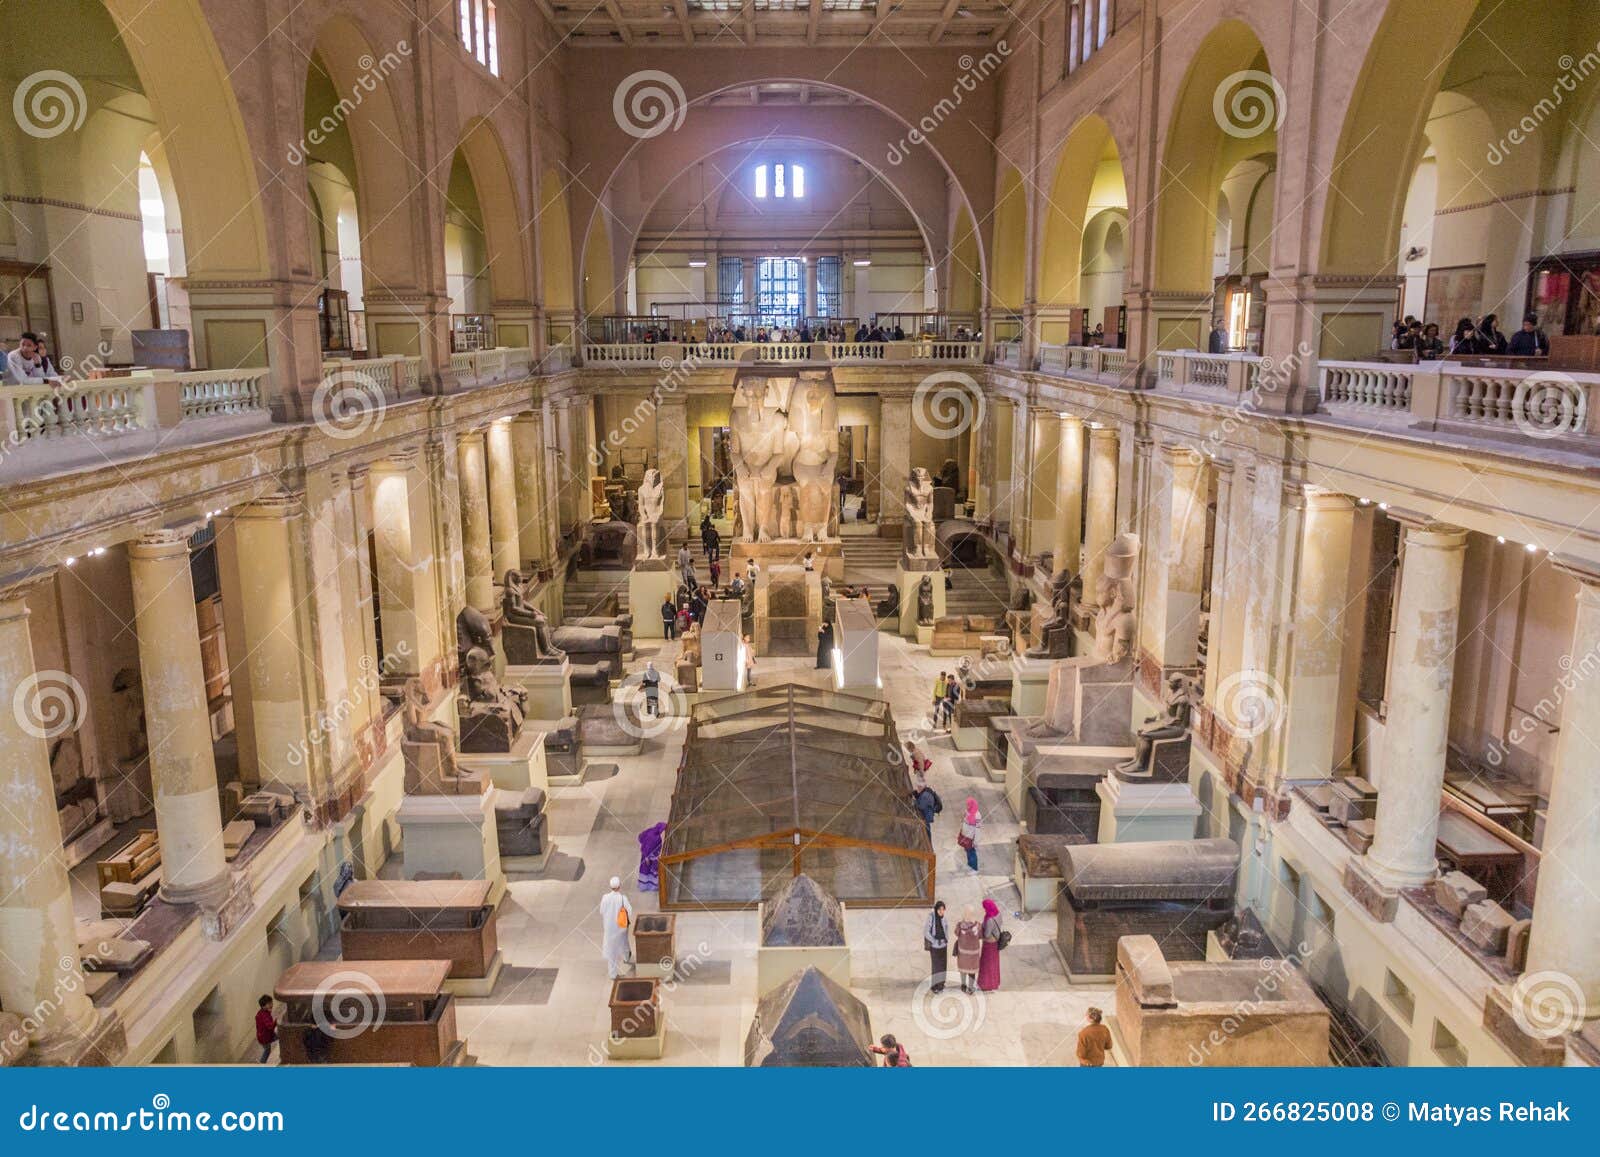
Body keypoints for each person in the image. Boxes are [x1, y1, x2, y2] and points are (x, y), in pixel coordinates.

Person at [599, 876, 634, 978]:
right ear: (619, 886)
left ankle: (613, 973)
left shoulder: (605, 898)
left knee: (611, 951)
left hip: (609, 928)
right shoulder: (623, 898)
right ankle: (626, 958)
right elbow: (630, 911)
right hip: (621, 927)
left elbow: (601, 911)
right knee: (624, 942)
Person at [953, 906, 982, 994]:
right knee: (972, 971)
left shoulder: (960, 925)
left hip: (963, 953)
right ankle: (970, 987)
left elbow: (956, 933)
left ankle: (963, 985)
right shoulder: (978, 926)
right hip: (973, 954)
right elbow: (980, 936)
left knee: (963, 970)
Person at [978, 898, 1003, 992]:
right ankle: (995, 983)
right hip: (996, 942)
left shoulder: (989, 919)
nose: (984, 909)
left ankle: (986, 985)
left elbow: (987, 934)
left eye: (984, 907)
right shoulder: (998, 913)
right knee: (994, 964)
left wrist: (981, 928)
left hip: (989, 944)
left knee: (986, 964)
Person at [924, 900, 949, 993]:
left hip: (943, 945)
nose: (941, 912)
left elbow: (946, 928)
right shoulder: (931, 918)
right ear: (936, 910)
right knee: (936, 966)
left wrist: (946, 939)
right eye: (939, 910)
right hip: (935, 946)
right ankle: (935, 986)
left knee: (943, 965)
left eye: (943, 910)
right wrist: (933, 941)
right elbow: (926, 932)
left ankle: (941, 984)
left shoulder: (944, 918)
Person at [957, 797, 981, 874]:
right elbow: (964, 822)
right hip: (965, 835)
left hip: (971, 837)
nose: (967, 806)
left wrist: (976, 841)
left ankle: (974, 868)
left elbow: (978, 829)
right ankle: (970, 865)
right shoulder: (967, 811)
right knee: (967, 851)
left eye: (968, 804)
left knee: (971, 852)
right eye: (967, 804)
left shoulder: (977, 815)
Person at [254, 994, 278, 1063]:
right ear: (263, 1006)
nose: (271, 1005)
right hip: (265, 1038)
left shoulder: (263, 1012)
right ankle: (261, 1063)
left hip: (265, 1035)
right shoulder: (264, 1015)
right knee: (267, 1050)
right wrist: (276, 1022)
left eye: (271, 1002)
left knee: (280, 1036)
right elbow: (270, 1026)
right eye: (269, 1004)